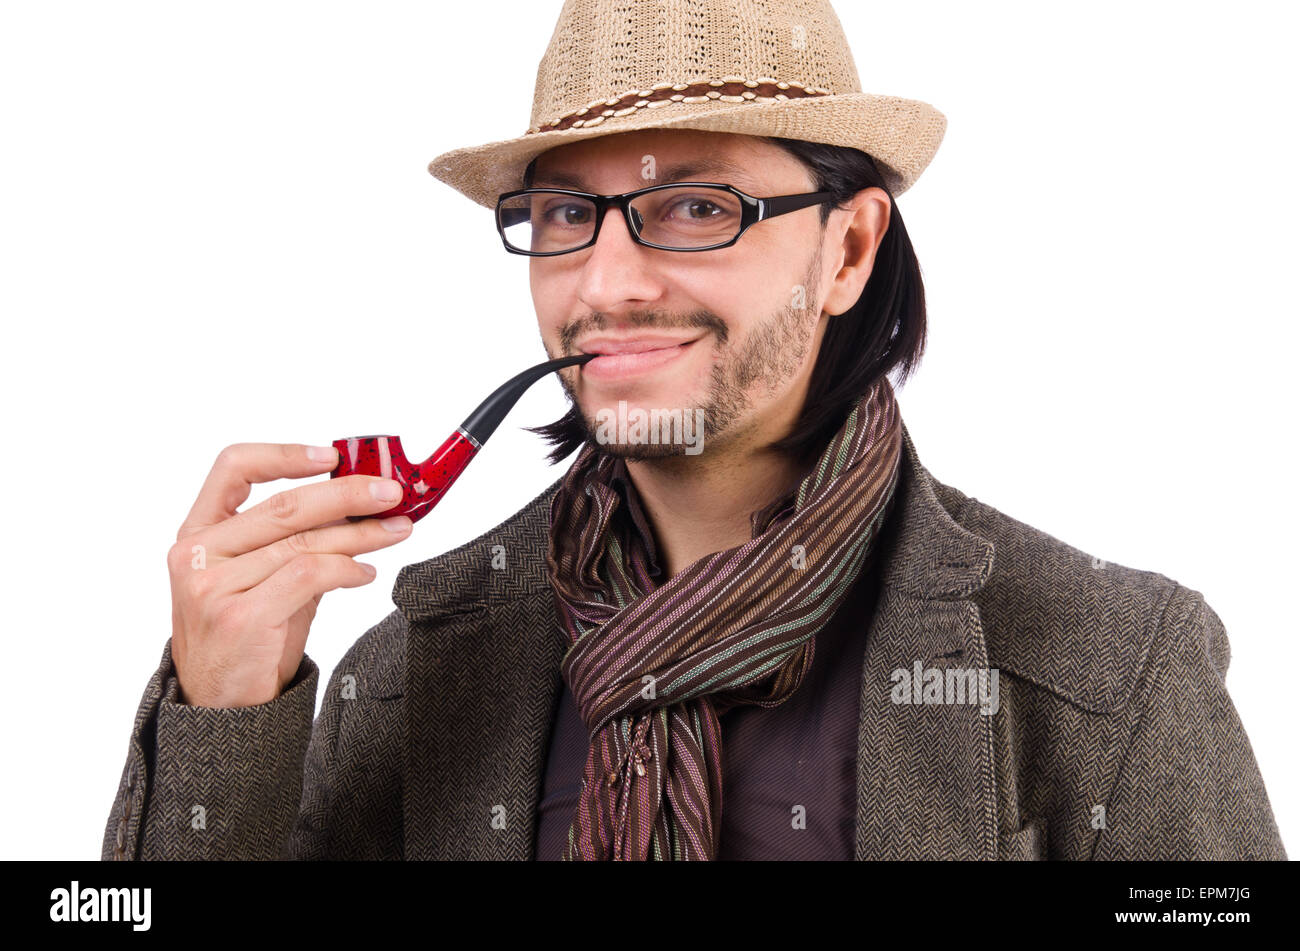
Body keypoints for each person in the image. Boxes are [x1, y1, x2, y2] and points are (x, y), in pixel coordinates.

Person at [103, 0, 1285, 861]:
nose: (605, 281)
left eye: (693, 206)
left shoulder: (1109, 666)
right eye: (567, 211)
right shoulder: (408, 679)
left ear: (849, 249)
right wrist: (224, 721)